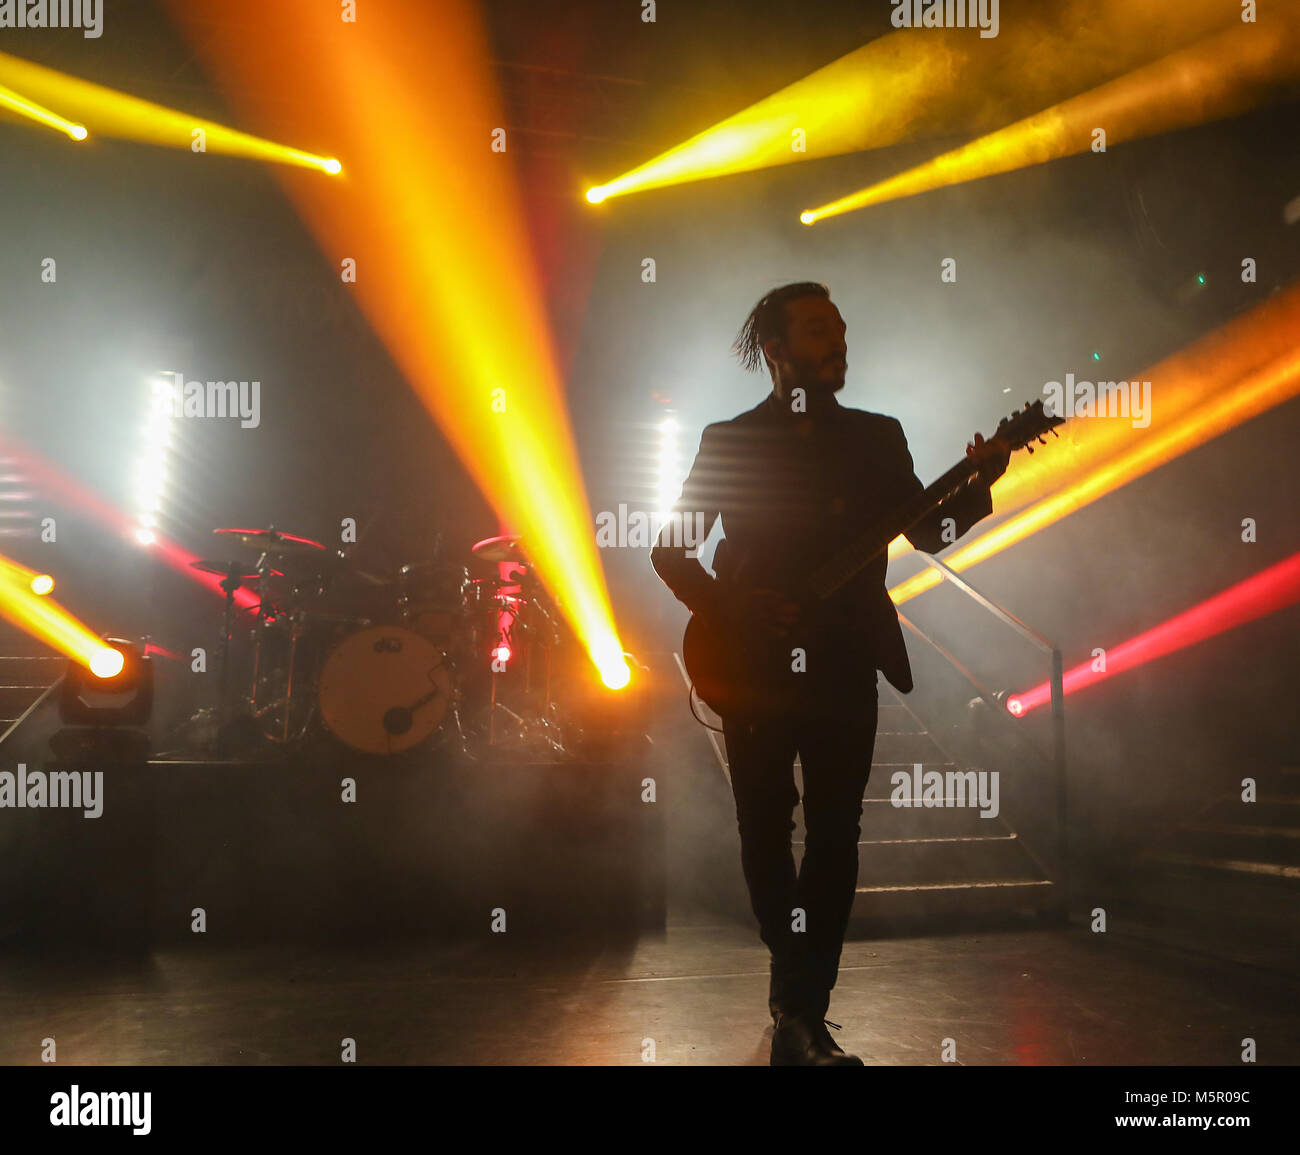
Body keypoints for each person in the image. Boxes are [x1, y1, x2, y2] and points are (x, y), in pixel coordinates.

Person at [650, 282, 1009, 1066]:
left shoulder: (878, 437)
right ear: (777, 350)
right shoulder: (732, 441)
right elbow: (671, 550)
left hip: (848, 658)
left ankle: (802, 1010)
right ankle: (796, 992)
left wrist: (983, 477)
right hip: (750, 664)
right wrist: (735, 606)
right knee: (764, 831)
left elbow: (928, 531)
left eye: (841, 329)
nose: (838, 341)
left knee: (837, 834)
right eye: (818, 331)